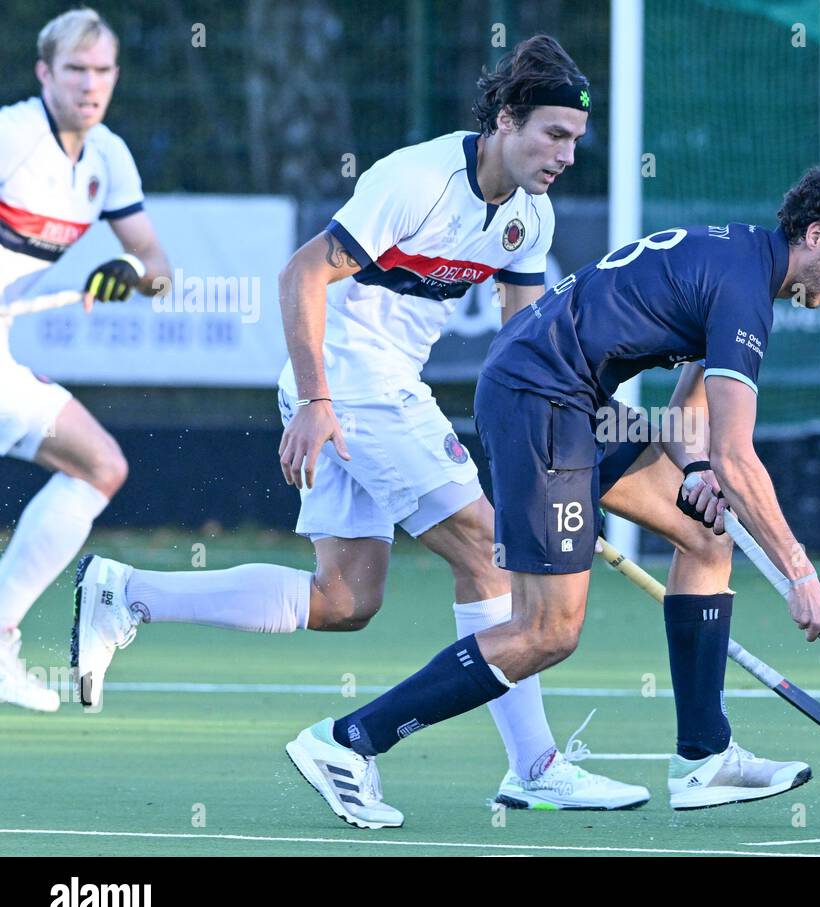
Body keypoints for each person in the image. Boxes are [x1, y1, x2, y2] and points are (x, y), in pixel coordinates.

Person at [73, 35, 647, 810]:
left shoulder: (530, 219)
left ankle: (128, 591)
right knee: (487, 549)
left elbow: (523, 355)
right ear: (507, 120)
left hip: (382, 389)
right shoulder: (414, 180)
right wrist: (316, 401)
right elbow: (301, 271)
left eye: (576, 140)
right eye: (553, 133)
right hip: (348, 382)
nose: (566, 155)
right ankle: (532, 767)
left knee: (345, 600)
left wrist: (544, 461)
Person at [284, 164, 820, 827]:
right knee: (548, 629)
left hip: (575, 403)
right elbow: (738, 454)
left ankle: (704, 758)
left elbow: (700, 410)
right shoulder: (746, 283)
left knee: (705, 531)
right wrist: (799, 574)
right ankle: (347, 743)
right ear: (816, 234)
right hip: (542, 403)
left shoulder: (741, 260)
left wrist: (692, 467)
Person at [0, 8, 169, 712]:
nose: (90, 84)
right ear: (44, 73)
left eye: (102, 71)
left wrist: (127, 269)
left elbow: (160, 267)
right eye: (75, 69)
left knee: (101, 465)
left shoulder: (109, 157)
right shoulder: (12, 135)